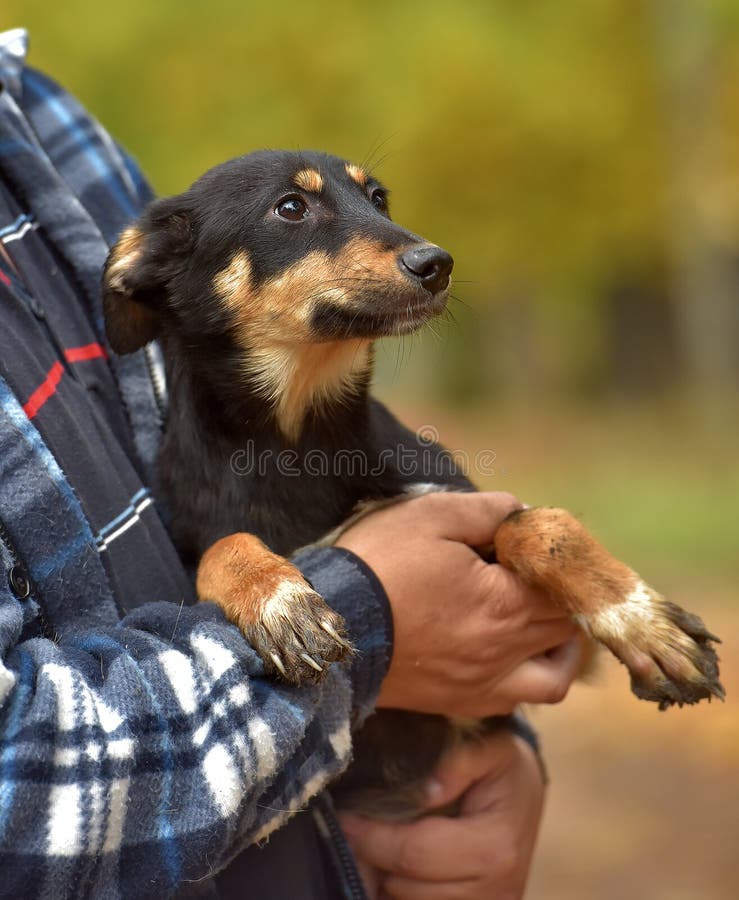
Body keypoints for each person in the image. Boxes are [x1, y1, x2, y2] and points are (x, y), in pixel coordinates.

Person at [0, 28, 580, 899]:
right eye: (297, 211)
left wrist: (487, 757)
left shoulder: (43, 117)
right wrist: (369, 631)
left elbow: (285, 466)